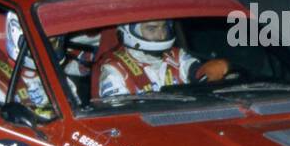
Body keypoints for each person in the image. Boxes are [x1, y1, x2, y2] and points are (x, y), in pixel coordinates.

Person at [95, 20, 228, 98]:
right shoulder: (115, 69)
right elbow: (120, 119)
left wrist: (210, 70)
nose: (161, 34)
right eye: (152, 29)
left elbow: (195, 70)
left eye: (164, 27)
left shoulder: (176, 56)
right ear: (129, 32)